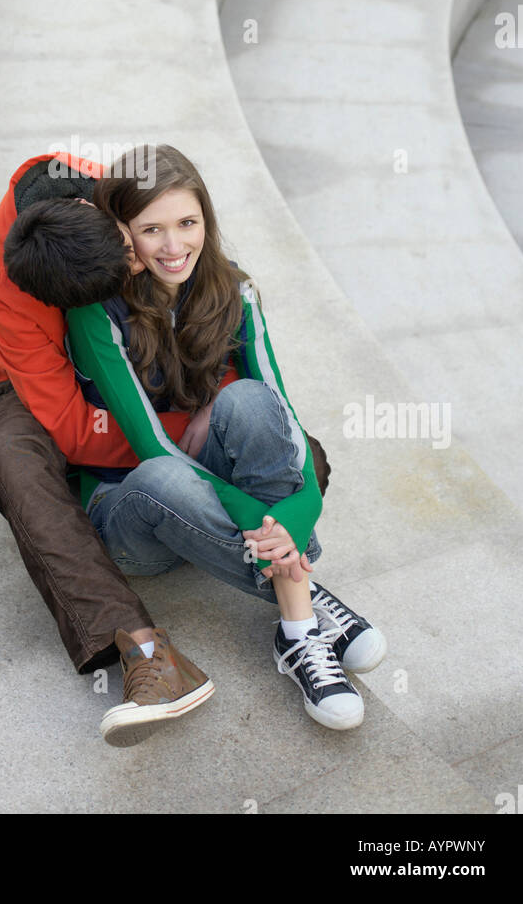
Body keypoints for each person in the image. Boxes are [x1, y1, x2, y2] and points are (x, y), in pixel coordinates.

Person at [60, 144, 386, 734]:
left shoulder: (234, 291)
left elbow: (283, 416)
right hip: (133, 511)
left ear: (206, 220)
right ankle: (306, 599)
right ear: (122, 234)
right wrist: (289, 537)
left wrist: (296, 512)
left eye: (187, 223)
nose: (174, 245)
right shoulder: (95, 308)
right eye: (151, 229)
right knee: (162, 475)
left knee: (250, 403)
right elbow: (154, 449)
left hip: (210, 492)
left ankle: (295, 636)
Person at [0, 149, 217, 744]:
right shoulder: (8, 294)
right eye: (134, 257)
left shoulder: (117, 186)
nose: (148, 262)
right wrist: (167, 444)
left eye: (134, 251)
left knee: (297, 449)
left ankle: (248, 534)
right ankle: (148, 654)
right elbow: (71, 425)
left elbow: (213, 312)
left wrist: (214, 418)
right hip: (52, 387)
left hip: (144, 362)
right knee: (9, 453)